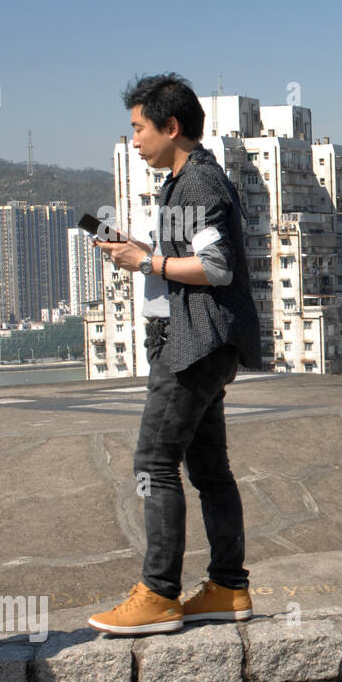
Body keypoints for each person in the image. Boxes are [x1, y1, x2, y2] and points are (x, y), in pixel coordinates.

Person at [88, 73, 263, 635]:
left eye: (139, 129)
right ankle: (227, 588)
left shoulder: (199, 185)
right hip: (203, 340)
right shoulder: (186, 181)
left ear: (172, 127)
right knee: (210, 467)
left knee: (154, 463)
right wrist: (142, 251)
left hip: (194, 343)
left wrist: (145, 262)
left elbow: (216, 268)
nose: (133, 141)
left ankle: (159, 594)